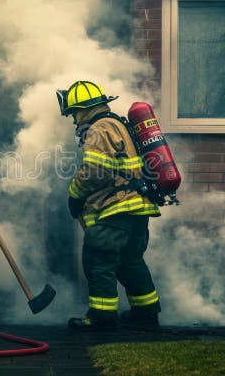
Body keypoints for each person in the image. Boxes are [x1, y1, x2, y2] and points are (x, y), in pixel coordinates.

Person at [56, 80, 162, 330]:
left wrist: (75, 194)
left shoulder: (99, 129)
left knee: (99, 261)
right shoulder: (119, 125)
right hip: (136, 206)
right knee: (130, 261)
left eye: (73, 113)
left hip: (115, 208)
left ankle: (102, 318)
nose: (73, 120)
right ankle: (146, 314)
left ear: (83, 109)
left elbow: (95, 171)